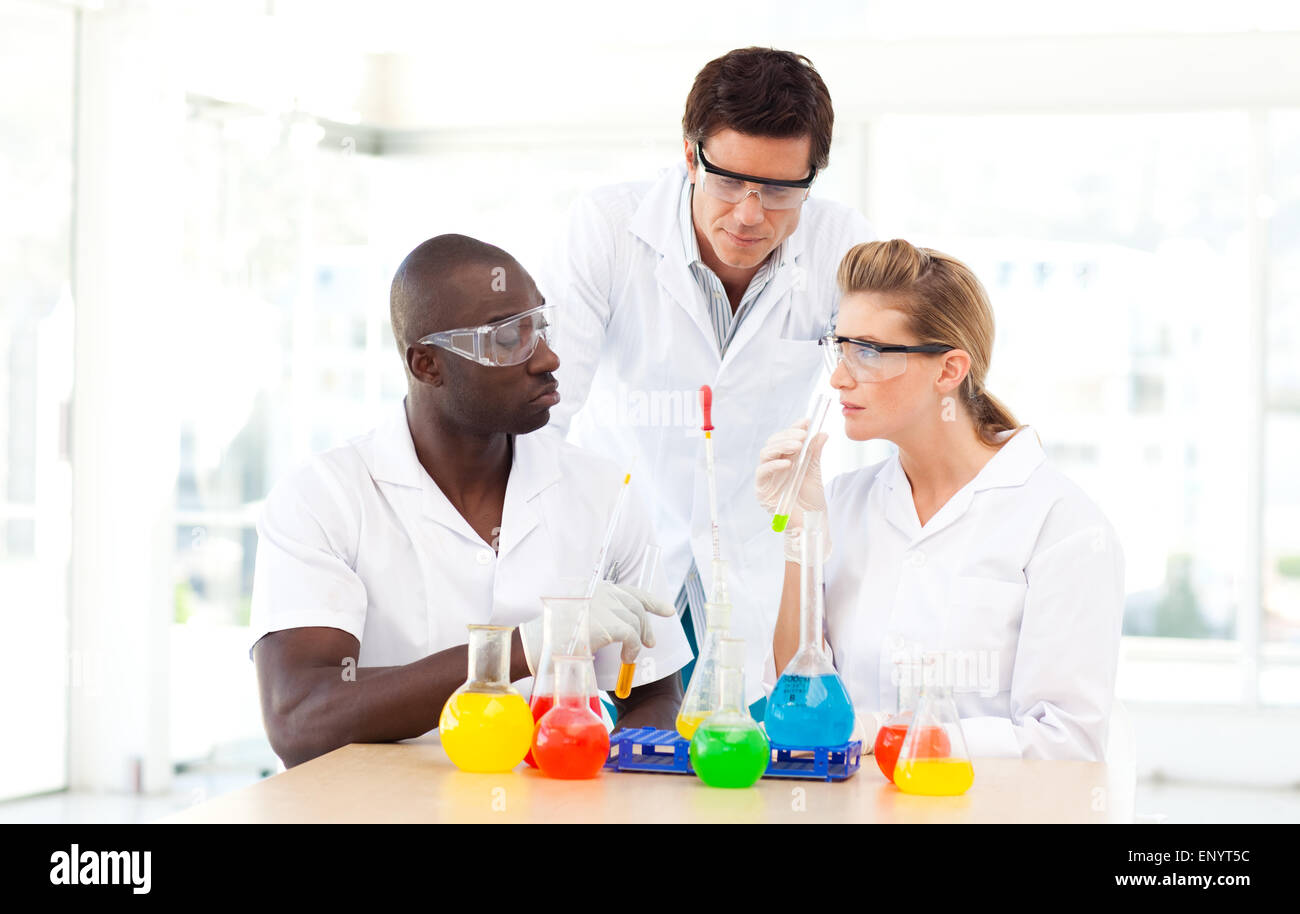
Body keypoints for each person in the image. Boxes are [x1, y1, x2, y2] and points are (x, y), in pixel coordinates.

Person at [249, 234, 691, 768]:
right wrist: (531, 645)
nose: (547, 359)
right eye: (507, 338)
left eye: (540, 329)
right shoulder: (324, 498)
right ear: (427, 364)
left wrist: (606, 781)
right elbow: (299, 718)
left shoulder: (605, 494)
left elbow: (654, 694)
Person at [539, 47, 875, 709]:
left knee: (744, 786)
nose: (750, 215)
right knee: (615, 778)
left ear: (814, 176)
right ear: (691, 157)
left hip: (755, 562)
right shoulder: (606, 229)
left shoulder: (843, 247)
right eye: (729, 182)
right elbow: (544, 414)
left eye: (780, 190)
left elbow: (891, 385)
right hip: (623, 556)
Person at [755, 239, 1125, 760]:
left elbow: (1067, 743)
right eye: (840, 348)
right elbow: (792, 701)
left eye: (868, 352)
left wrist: (897, 735)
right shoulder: (840, 502)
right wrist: (802, 537)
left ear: (949, 371)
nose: (840, 377)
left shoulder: (1061, 525)